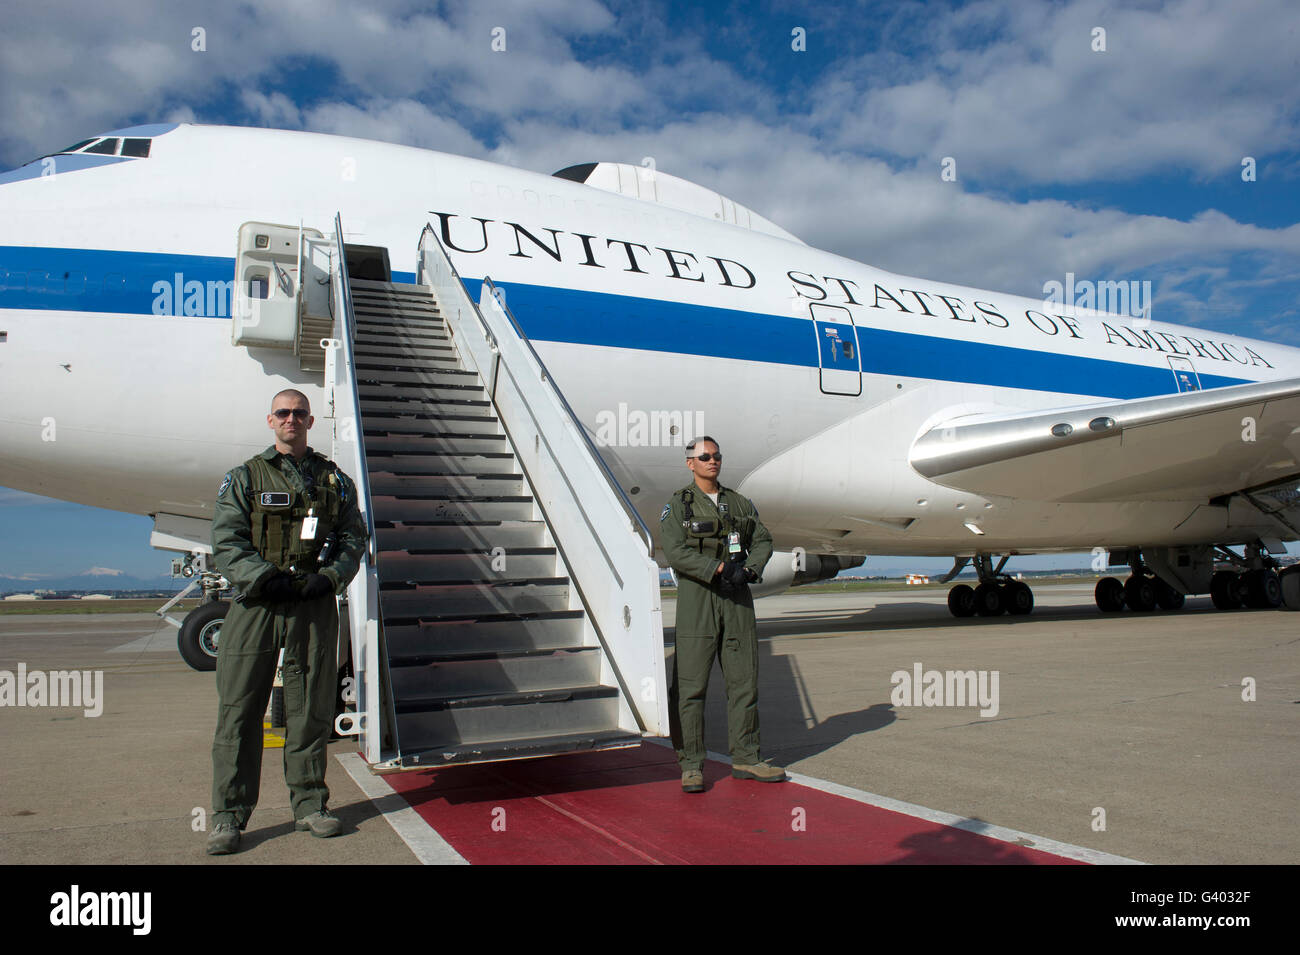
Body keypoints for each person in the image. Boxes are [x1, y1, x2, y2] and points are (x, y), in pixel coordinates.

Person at [206, 389, 368, 855]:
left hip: (312, 605)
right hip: (257, 605)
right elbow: (227, 539)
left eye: (299, 413)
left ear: (310, 421)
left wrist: (332, 577)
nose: (291, 419)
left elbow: (353, 536)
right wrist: (262, 579)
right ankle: (227, 817)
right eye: (283, 413)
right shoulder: (243, 477)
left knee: (311, 710)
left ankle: (310, 805)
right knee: (238, 711)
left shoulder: (334, 481)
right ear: (271, 421)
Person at [659, 435, 785, 793]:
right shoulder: (678, 506)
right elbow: (676, 551)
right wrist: (717, 569)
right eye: (704, 456)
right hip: (699, 599)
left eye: (716, 456)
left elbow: (763, 540)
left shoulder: (740, 503)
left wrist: (748, 570)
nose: (712, 461)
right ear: (690, 463)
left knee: (744, 683)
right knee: (690, 688)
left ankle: (747, 758)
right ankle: (691, 765)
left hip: (737, 599)